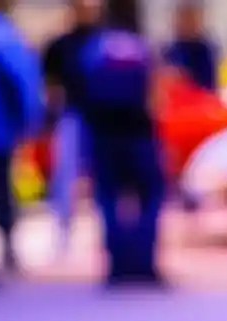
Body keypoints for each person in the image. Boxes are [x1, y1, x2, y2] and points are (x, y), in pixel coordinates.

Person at [73, 0, 164, 286]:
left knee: (109, 199)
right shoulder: (141, 47)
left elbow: (81, 92)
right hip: (139, 133)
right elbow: (155, 92)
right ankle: (144, 263)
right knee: (150, 197)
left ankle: (117, 265)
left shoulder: (95, 49)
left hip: (105, 135)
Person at [0, 0, 42, 273]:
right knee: (0, 190)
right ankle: (6, 246)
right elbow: (23, 82)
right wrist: (28, 120)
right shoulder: (2, 34)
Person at [41, 0, 99, 260]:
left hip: (102, 117)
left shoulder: (105, 39)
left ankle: (104, 238)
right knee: (65, 177)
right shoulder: (61, 45)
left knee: (102, 177)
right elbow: (50, 85)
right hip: (72, 115)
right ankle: (63, 234)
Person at [162, 2, 215, 92]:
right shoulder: (169, 52)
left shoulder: (206, 51)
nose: (188, 22)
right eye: (184, 16)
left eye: (192, 17)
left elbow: (210, 87)